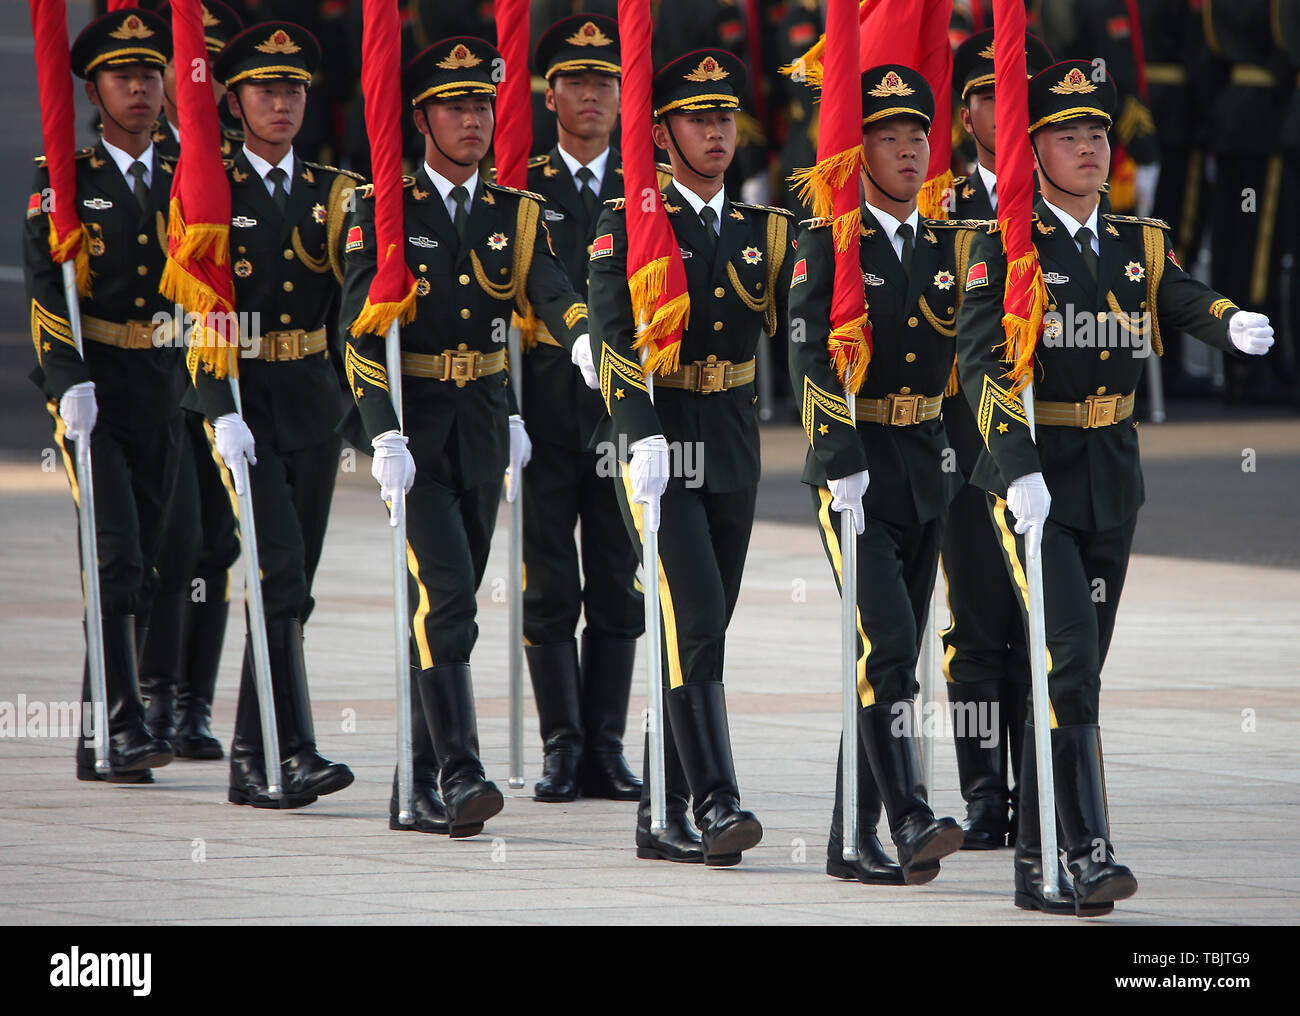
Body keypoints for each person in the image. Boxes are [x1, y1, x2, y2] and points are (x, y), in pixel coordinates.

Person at [955, 59, 1274, 916]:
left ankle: (1036, 862)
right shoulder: (1008, 248)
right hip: (1036, 486)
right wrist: (1015, 466)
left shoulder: (1138, 242)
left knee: (1076, 666)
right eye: (1069, 136)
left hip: (1111, 480)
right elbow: (984, 367)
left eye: (1098, 134)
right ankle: (1085, 850)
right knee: (1066, 660)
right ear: (1036, 152)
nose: (1091, 148)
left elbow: (1177, 294)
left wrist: (1227, 319)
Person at [339, 35, 592, 837]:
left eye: (482, 103)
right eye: (456, 106)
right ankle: (460, 771)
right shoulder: (384, 207)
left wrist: (583, 339)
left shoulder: (513, 213)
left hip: (481, 426)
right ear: (421, 118)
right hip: (413, 428)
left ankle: (416, 785)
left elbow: (549, 289)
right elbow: (358, 329)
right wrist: (380, 433)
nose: (474, 119)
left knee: (448, 601)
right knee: (446, 596)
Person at [587, 49, 795, 866]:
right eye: (697, 119)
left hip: (732, 441)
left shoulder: (762, 231)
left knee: (695, 630)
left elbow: (811, 321)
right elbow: (613, 341)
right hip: (656, 445)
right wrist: (638, 435)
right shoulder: (629, 225)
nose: (716, 132)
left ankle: (658, 811)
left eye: (725, 117)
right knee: (694, 613)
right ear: (663, 134)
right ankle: (716, 800)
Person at [789, 64, 966, 886]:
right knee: (890, 646)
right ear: (857, 154)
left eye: (915, 137)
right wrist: (839, 460)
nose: (904, 151)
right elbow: (809, 352)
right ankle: (909, 817)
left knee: (887, 658)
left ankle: (848, 838)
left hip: (924, 465)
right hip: (854, 467)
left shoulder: (947, 245)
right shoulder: (829, 242)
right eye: (886, 138)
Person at [180, 22, 360, 808]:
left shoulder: (334, 191)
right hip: (244, 401)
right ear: (233, 100)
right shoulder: (211, 191)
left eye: (292, 91)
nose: (281, 104)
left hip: (311, 405)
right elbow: (190, 312)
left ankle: (255, 762)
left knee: (292, 584)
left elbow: (354, 304)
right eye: (264, 91)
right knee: (276, 572)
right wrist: (218, 408)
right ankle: (291, 750)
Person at [25, 8, 182, 784]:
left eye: (151, 74)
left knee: (148, 559)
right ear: (93, 89)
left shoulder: (193, 172)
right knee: (114, 553)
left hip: (165, 385)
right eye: (124, 77)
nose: (141, 89)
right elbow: (47, 293)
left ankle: (102, 739)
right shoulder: (64, 179)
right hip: (94, 388)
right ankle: (121, 725)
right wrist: (67, 380)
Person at [518, 14, 642, 804]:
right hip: (545, 406)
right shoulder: (523, 183)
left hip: (626, 412)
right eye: (578, 83)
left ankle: (606, 746)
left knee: (620, 580)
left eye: (606, 83)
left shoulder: (646, 186)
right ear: (551, 93)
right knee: (550, 582)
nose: (592, 96)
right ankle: (562, 746)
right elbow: (527, 279)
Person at [942, 28, 1053, 850]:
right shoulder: (938, 205)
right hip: (962, 443)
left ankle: (1044, 790)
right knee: (979, 619)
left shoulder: (1072, 206)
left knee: (1043, 619)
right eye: (987, 96)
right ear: (964, 108)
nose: (1001, 111)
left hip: (1055, 444)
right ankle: (984, 790)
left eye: (1017, 96)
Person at [135, 0, 244, 763]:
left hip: (223, 378)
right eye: (186, 62)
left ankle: (195, 707)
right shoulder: (140, 156)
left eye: (210, 62)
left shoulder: (233, 166)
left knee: (219, 543)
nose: (196, 77)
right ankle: (152, 694)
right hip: (150, 375)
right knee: (163, 546)